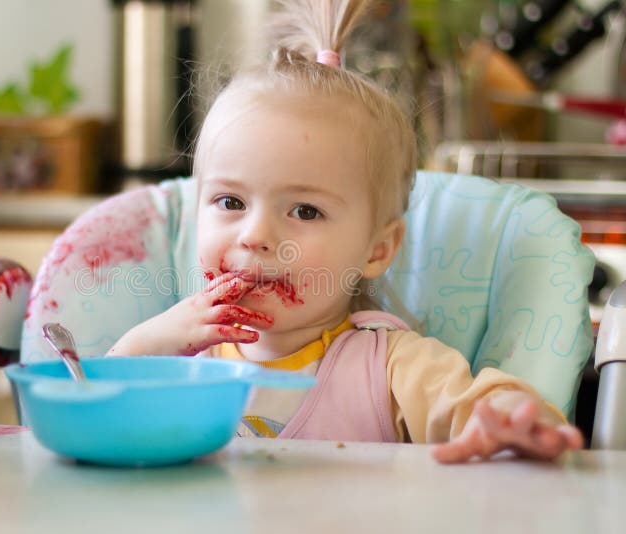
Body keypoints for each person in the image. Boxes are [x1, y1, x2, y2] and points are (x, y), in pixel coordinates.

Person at [108, 0, 584, 463]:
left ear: (378, 249)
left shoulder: (391, 368)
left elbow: (483, 409)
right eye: (230, 202)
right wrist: (138, 350)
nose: (255, 235)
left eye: (305, 211)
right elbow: (90, 432)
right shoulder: (176, 362)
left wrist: (513, 419)